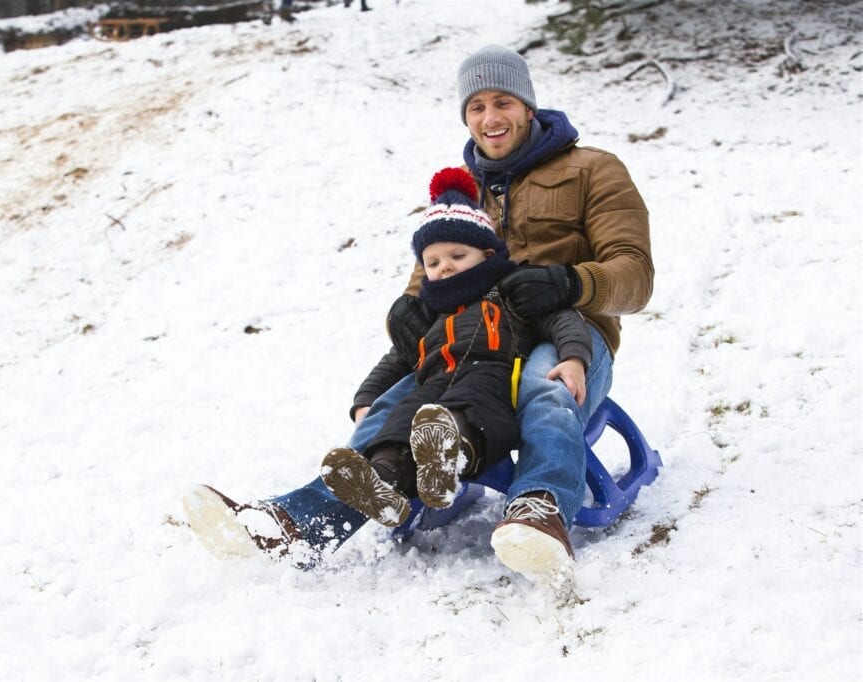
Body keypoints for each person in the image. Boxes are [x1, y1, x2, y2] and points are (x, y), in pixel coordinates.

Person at [183, 44, 654, 582]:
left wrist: (569, 282)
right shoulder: (462, 189)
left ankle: (539, 512)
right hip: (473, 339)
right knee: (393, 401)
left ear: (528, 106)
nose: (490, 118)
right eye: (476, 107)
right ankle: (296, 524)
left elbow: (635, 275)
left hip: (565, 331)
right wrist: (406, 314)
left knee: (542, 390)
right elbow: (428, 276)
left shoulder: (592, 168)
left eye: (503, 102)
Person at [320, 167, 591, 529]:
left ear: (486, 253)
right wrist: (365, 399)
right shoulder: (429, 315)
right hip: (434, 383)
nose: (445, 267)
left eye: (457, 255)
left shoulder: (510, 292)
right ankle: (383, 481)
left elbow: (562, 320)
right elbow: (398, 359)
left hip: (491, 382)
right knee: (401, 420)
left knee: (459, 412)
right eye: (433, 262)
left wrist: (573, 358)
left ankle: (448, 461)